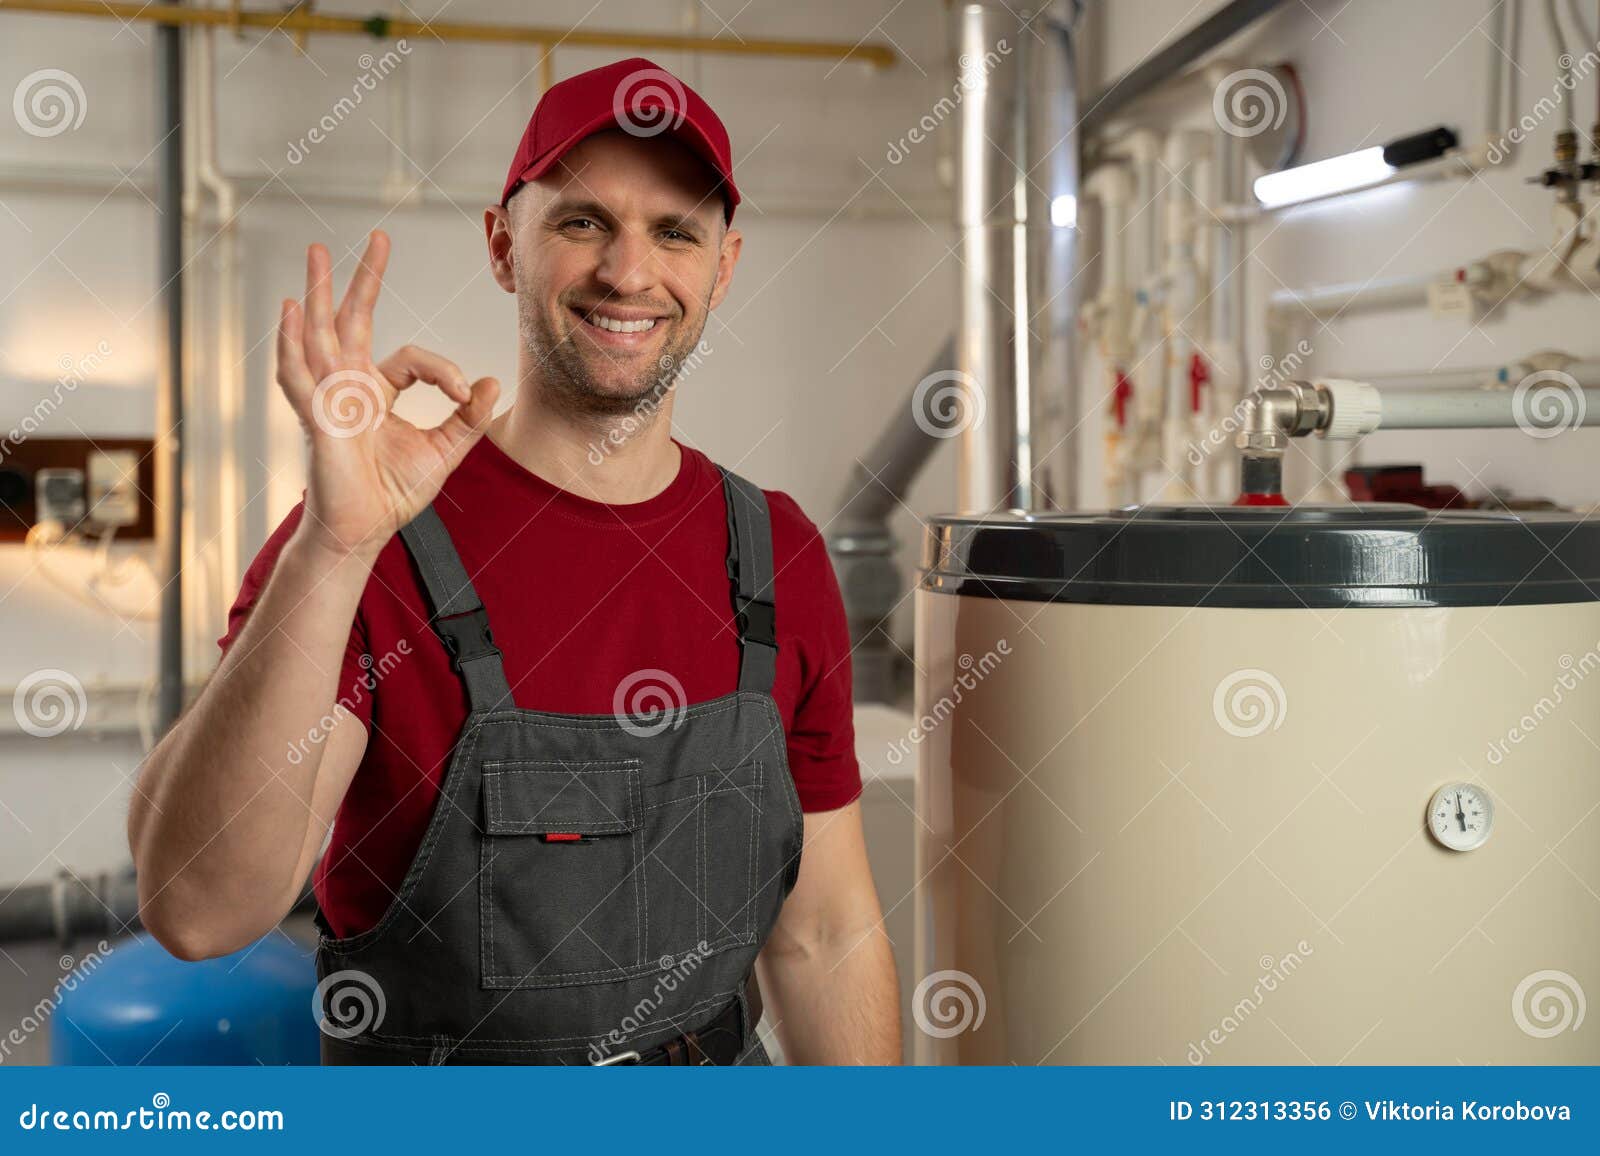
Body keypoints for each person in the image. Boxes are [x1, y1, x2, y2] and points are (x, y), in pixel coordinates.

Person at [128, 56, 900, 1065]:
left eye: (674, 232)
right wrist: (335, 545)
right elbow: (198, 910)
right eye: (583, 222)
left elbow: (826, 935)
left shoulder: (777, 554)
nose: (629, 272)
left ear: (723, 267)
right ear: (503, 246)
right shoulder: (372, 542)